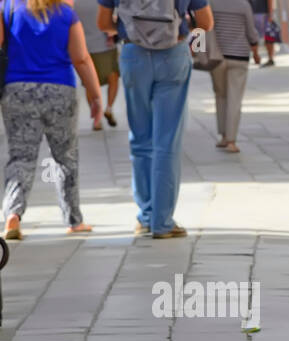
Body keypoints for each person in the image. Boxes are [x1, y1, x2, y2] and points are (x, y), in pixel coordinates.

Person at [97, 0, 213, 239]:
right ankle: (163, 222)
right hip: (173, 54)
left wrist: (132, 29)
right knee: (167, 142)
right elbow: (206, 22)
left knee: (140, 139)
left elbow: (103, 23)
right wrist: (180, 32)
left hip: (133, 55)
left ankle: (146, 217)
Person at [2, 0, 103, 239]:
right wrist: (95, 95)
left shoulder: (7, 8)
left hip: (17, 90)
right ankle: (74, 220)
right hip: (60, 90)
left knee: (20, 156)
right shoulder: (65, 13)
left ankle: (13, 215)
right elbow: (81, 59)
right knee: (65, 156)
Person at [207, 0, 258, 152]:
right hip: (239, 57)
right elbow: (251, 32)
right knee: (234, 99)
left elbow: (201, 26)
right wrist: (255, 52)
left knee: (220, 96)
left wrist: (198, 51)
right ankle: (231, 141)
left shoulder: (211, 4)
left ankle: (223, 136)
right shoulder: (243, 5)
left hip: (217, 58)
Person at [73, 0, 116, 130]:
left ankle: (96, 119)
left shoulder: (73, 3)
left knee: (88, 83)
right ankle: (108, 108)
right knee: (113, 76)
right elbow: (109, 21)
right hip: (105, 45)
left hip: (84, 45)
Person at [248, 0, 274, 66]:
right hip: (250, 13)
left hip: (263, 13)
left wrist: (270, 14)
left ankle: (270, 59)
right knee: (252, 36)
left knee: (268, 36)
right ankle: (256, 56)